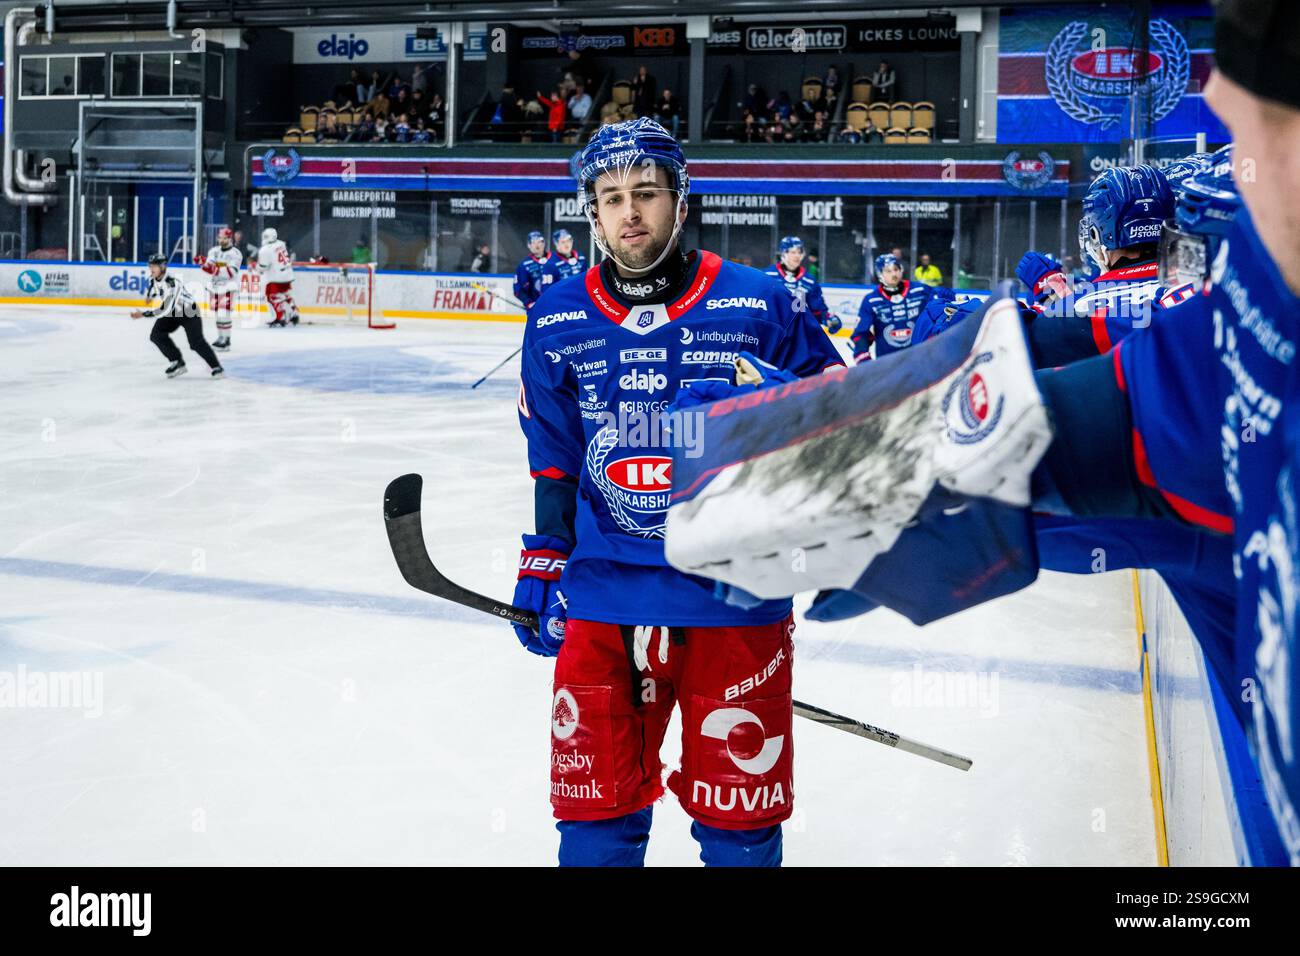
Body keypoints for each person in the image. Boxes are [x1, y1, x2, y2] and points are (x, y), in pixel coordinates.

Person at [663, 0, 1300, 864]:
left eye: (1263, 67)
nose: (1219, 99)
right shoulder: (1259, 311)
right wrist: (891, 436)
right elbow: (1125, 389)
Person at [514, 118, 843, 868]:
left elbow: (839, 417)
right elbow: (555, 451)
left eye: (647, 193)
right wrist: (543, 557)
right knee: (594, 827)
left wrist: (760, 391)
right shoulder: (558, 316)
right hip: (604, 598)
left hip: (735, 596)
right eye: (611, 197)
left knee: (739, 835)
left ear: (681, 199)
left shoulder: (762, 303)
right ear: (591, 211)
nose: (630, 212)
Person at [131, 253, 224, 379]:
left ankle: (217, 367)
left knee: (196, 343)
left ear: (163, 266)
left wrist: (143, 314)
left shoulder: (172, 283)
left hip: (188, 312)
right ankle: (177, 362)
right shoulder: (153, 278)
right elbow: (154, 286)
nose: (151, 269)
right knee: (156, 335)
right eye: (150, 266)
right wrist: (150, 296)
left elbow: (164, 309)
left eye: (154, 266)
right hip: (173, 312)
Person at [849, 252, 934, 362]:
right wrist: (862, 355)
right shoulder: (872, 300)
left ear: (901, 270)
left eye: (896, 269)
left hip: (918, 359)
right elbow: (861, 333)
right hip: (888, 363)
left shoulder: (920, 291)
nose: (894, 274)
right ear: (880, 274)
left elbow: (939, 308)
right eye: (888, 271)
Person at [764, 236, 841, 334]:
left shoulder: (809, 281)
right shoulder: (768, 276)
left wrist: (828, 319)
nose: (797, 256)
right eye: (793, 252)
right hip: (771, 332)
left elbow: (817, 310)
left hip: (797, 335)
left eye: (799, 252)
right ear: (783, 253)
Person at [195, 226, 242, 352]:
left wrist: (213, 269)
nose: (222, 240)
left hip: (229, 286)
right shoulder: (214, 251)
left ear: (230, 238)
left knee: (224, 313)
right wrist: (202, 263)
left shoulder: (235, 254)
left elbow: (231, 272)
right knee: (218, 314)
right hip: (215, 286)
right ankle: (221, 337)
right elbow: (209, 267)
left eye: (225, 238)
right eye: (220, 237)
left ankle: (226, 339)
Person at [256, 227, 299, 327]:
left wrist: (257, 267)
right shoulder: (281, 243)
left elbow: (264, 266)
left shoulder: (265, 250)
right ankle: (294, 311)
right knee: (286, 294)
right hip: (288, 273)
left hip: (277, 277)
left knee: (272, 296)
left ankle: (280, 317)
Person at [513, 230, 548, 311]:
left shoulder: (555, 260)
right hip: (535, 307)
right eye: (533, 242)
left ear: (544, 243)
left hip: (554, 305)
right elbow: (518, 289)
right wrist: (529, 302)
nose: (537, 245)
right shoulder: (524, 265)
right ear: (529, 245)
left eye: (539, 242)